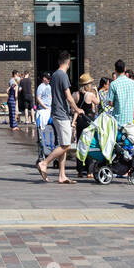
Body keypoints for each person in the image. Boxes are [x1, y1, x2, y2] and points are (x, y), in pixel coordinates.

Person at [36, 50, 83, 184]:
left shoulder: (55, 75)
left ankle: (62, 175)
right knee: (66, 145)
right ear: (68, 62)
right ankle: (44, 163)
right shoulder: (63, 75)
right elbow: (68, 97)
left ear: (58, 61)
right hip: (62, 114)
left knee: (62, 143)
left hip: (55, 112)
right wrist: (77, 109)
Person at [105, 60, 134, 125]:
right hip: (129, 120)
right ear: (125, 69)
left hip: (118, 121)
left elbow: (110, 102)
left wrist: (118, 103)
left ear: (115, 70)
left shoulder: (113, 84)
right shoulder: (133, 83)